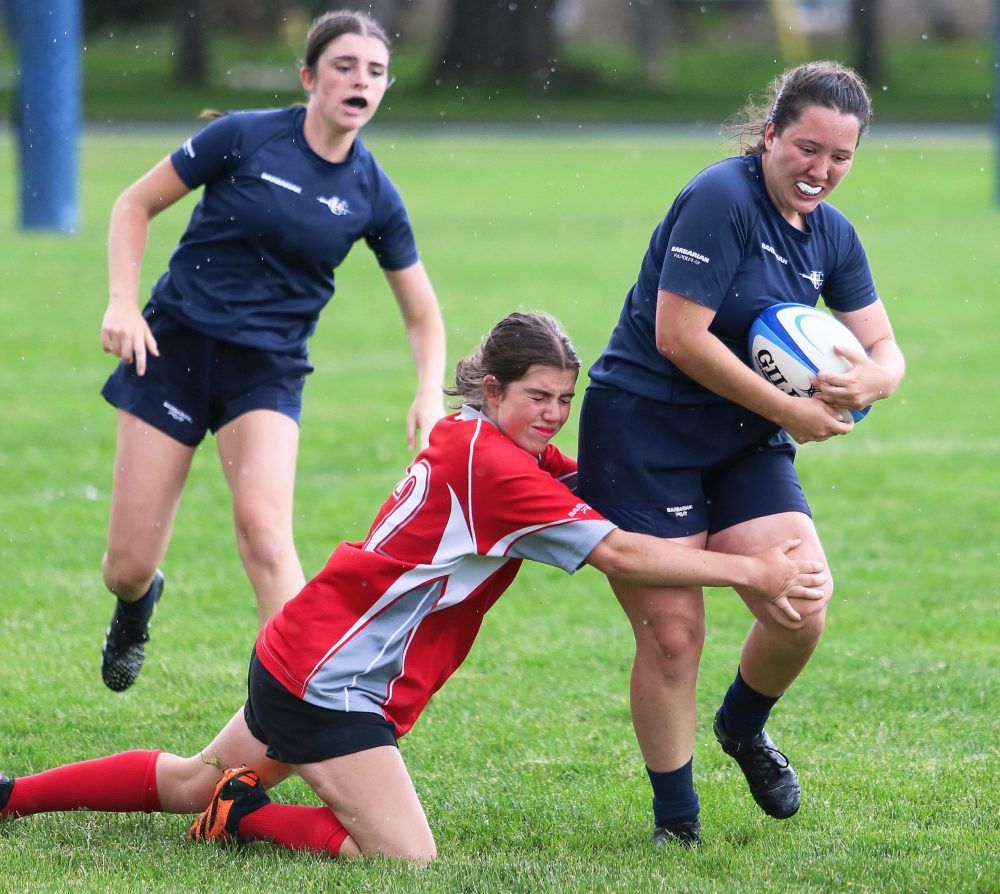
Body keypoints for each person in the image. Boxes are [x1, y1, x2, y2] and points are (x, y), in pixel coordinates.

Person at [1, 313, 827, 863]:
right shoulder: (498, 471)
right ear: (492, 389)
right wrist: (752, 570)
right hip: (330, 682)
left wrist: (702, 499)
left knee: (189, 776)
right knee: (403, 858)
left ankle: (11, 798)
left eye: (565, 401)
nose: (553, 415)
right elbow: (618, 552)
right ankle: (247, 816)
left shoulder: (474, 436)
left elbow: (607, 504)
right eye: (538, 397)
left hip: (303, 649)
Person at [576, 61, 906, 847]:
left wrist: (877, 379)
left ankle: (742, 727)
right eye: (806, 148)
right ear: (769, 135)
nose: (821, 170)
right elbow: (677, 337)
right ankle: (676, 824)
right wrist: (795, 412)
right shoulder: (722, 198)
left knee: (802, 606)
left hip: (741, 438)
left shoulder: (833, 234)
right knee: (672, 634)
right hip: (643, 429)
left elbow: (884, 345)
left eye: (840, 156)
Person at [97, 10, 446, 693]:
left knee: (265, 533)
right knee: (126, 565)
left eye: (375, 72)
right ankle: (137, 605)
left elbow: (423, 315)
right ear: (310, 76)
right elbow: (133, 206)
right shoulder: (243, 138)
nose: (360, 82)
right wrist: (121, 301)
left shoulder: (373, 192)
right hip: (172, 352)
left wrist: (428, 390)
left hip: (266, 372)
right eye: (345, 67)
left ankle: (298, 701)